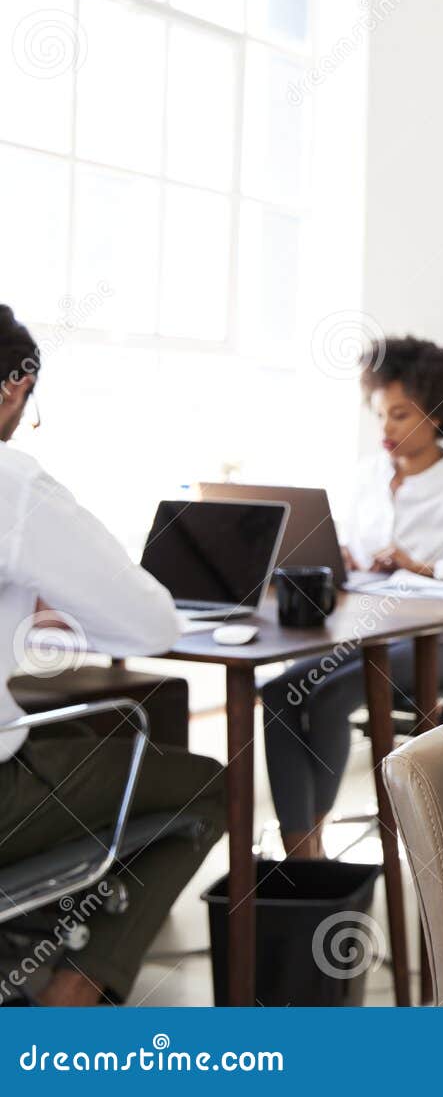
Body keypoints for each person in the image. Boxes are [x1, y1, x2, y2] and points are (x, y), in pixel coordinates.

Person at [0, 305, 226, 1006]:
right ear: (14, 388)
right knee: (206, 785)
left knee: (69, 739)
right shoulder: (14, 483)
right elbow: (150, 621)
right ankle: (67, 1007)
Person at [261, 336, 443, 859]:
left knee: (328, 695)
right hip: (364, 633)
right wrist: (344, 556)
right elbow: (351, 552)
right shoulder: (365, 478)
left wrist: (423, 565)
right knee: (278, 693)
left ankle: (308, 855)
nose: (386, 429)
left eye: (400, 415)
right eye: (381, 415)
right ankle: (302, 850)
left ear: (437, 414)